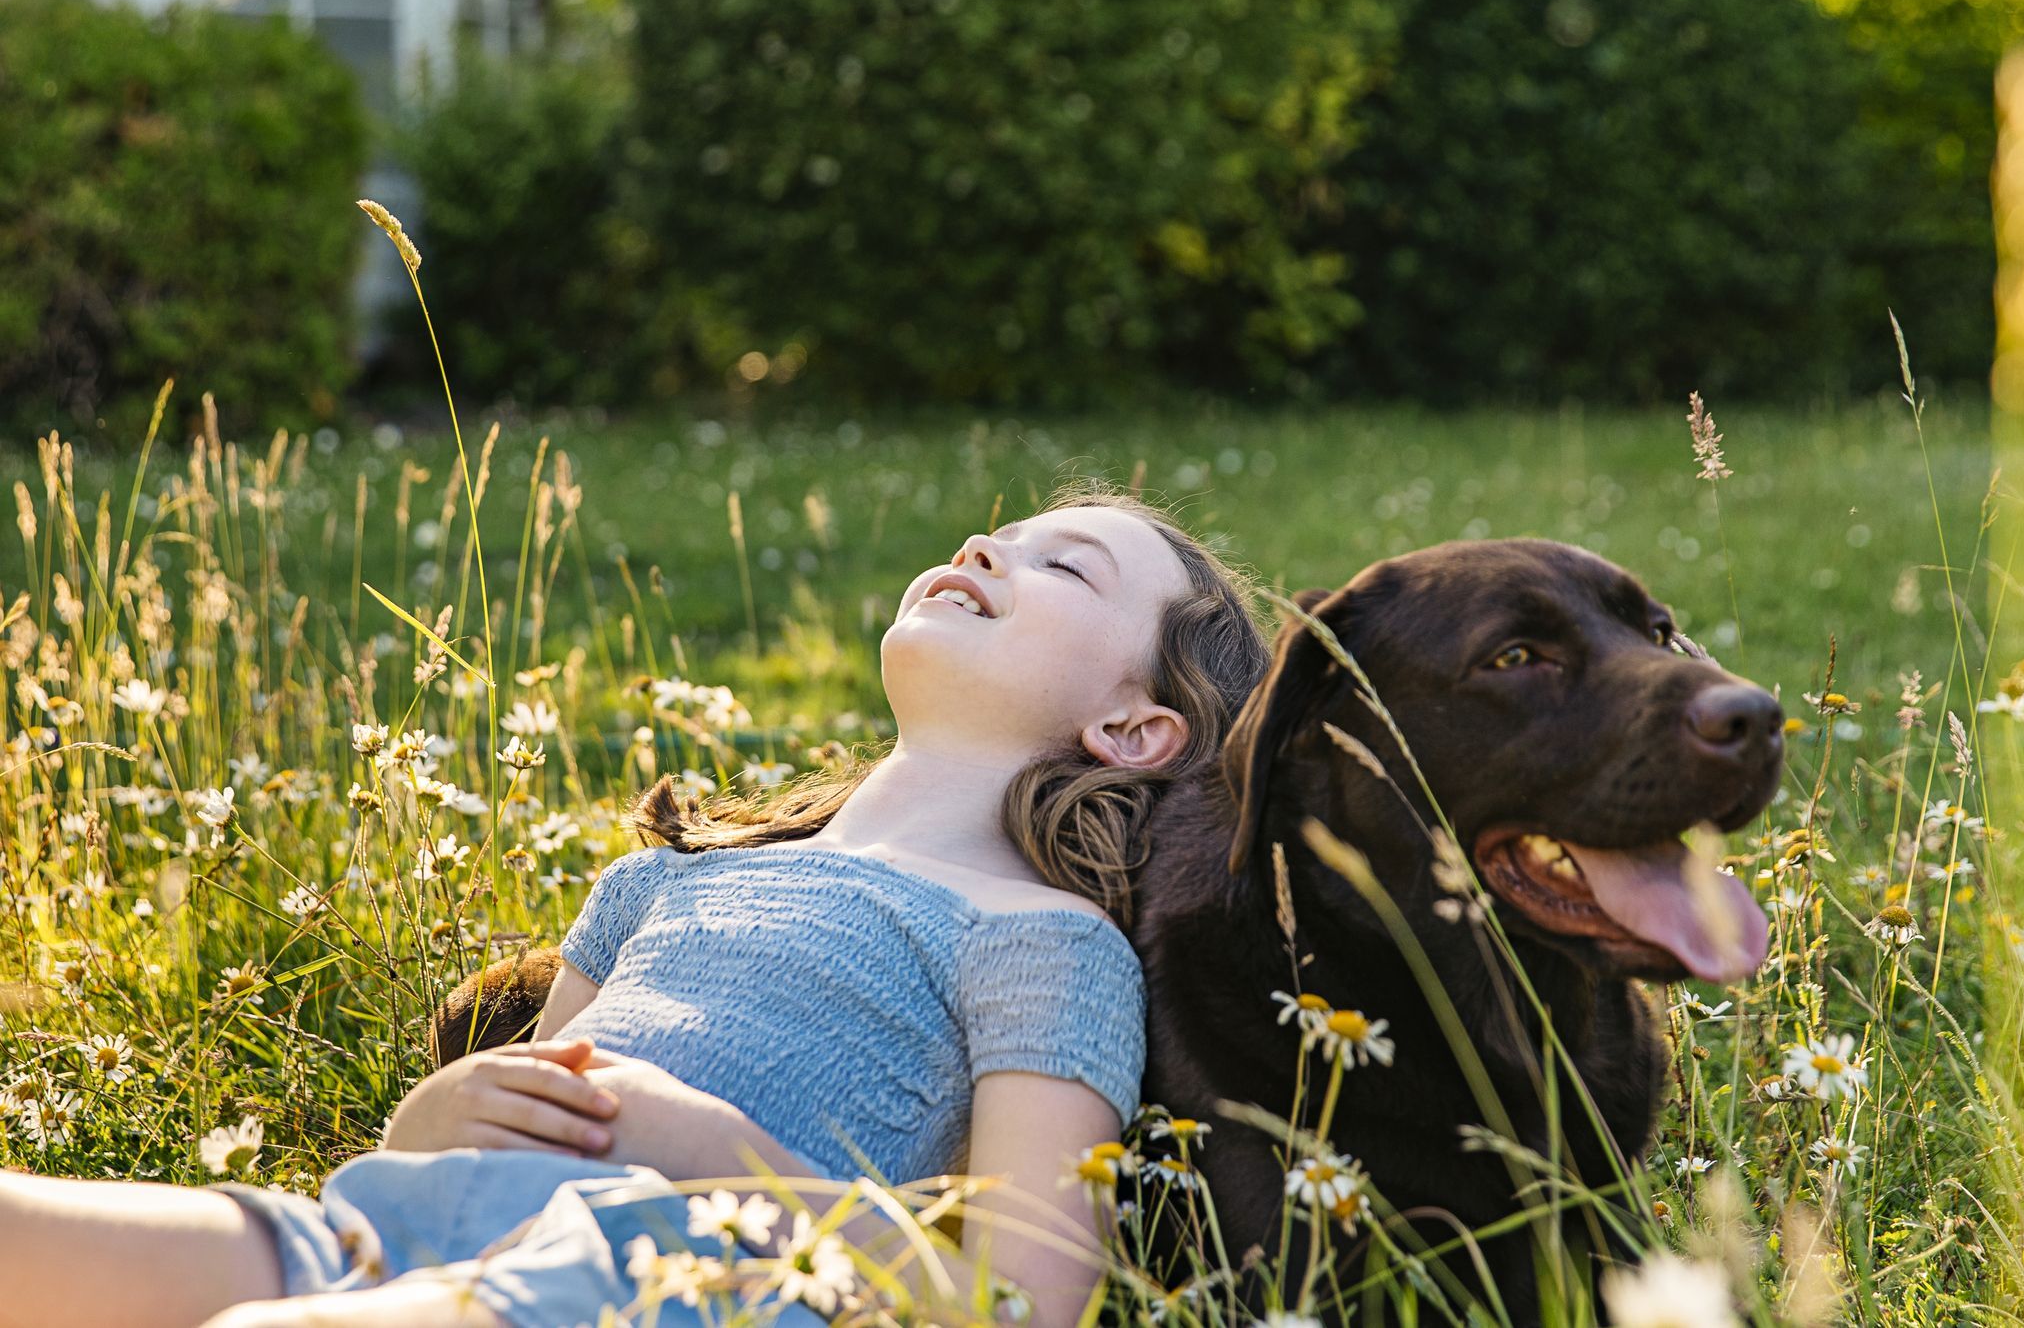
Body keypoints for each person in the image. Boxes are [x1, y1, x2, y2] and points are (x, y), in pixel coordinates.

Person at [0, 480, 1272, 1328]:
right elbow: (499, 1121)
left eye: (1068, 566)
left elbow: (1023, 1302)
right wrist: (432, 1109)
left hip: (653, 1277)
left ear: (1132, 725)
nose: (985, 546)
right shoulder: (663, 879)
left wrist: (723, 1158)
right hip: (397, 1232)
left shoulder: (1039, 942)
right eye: (1000, 534)